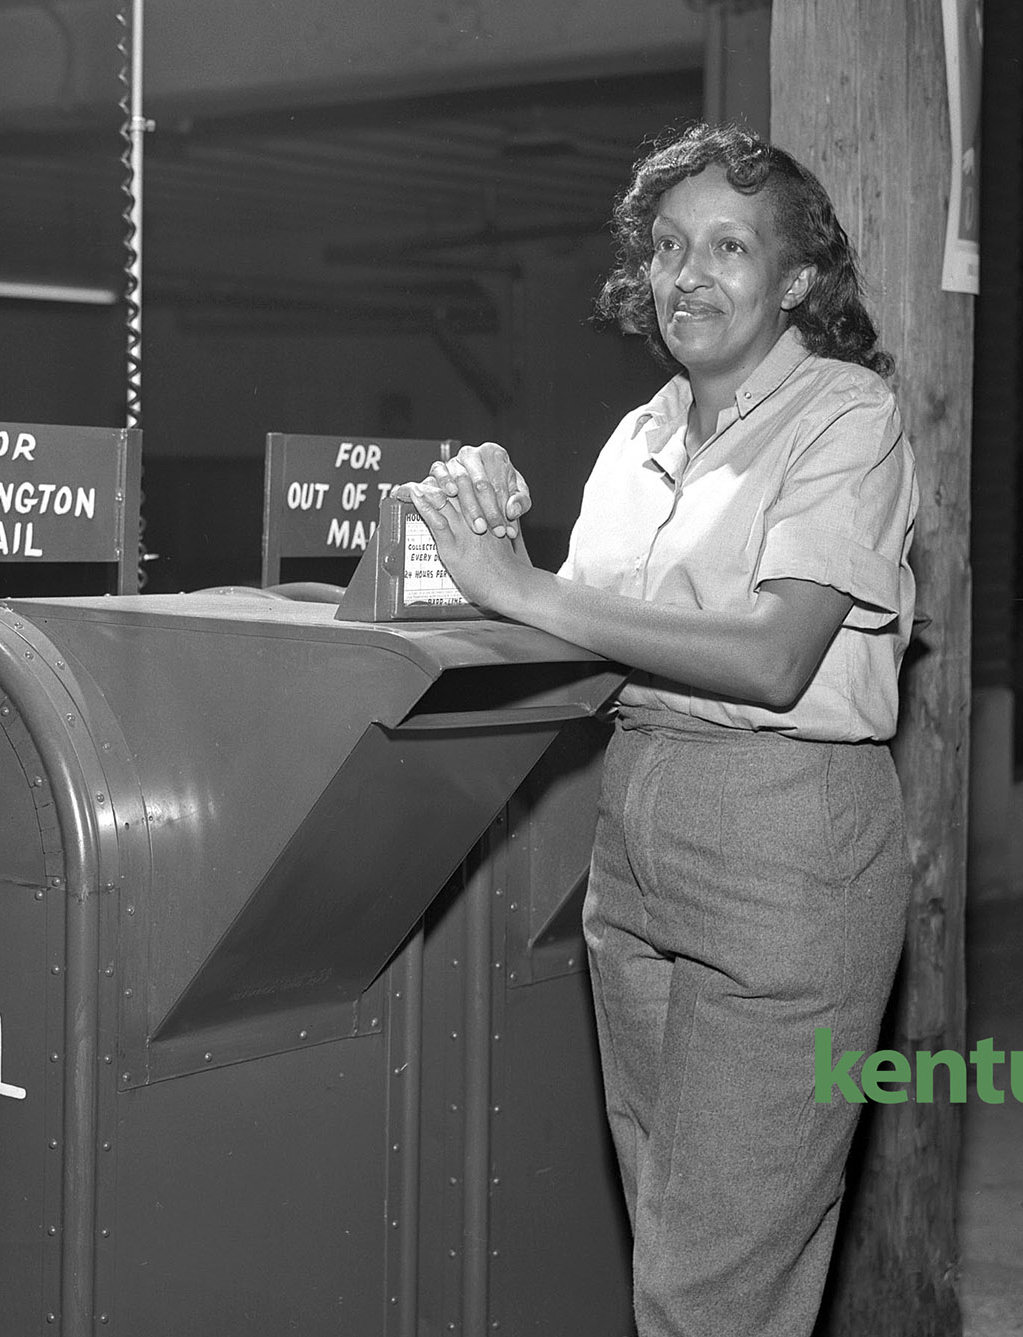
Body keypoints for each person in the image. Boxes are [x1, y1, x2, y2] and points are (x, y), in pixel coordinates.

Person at [400, 122, 918, 1337]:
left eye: (728, 248)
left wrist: (520, 587)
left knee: (715, 1275)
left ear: (794, 280)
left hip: (785, 841)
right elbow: (581, 632)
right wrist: (479, 543)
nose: (688, 276)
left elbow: (777, 657)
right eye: (669, 246)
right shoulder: (639, 437)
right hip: (633, 826)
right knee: (668, 1224)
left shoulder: (845, 418)